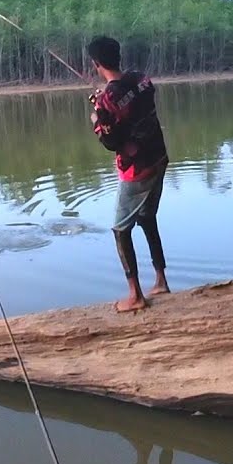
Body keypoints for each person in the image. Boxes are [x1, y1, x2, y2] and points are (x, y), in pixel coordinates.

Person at [86, 35, 170, 312]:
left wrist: (98, 117)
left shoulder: (107, 99)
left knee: (121, 228)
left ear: (96, 63)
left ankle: (135, 295)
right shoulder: (141, 78)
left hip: (137, 169)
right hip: (159, 157)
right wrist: (107, 103)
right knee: (147, 217)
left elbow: (110, 141)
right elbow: (130, 102)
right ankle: (160, 280)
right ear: (118, 56)